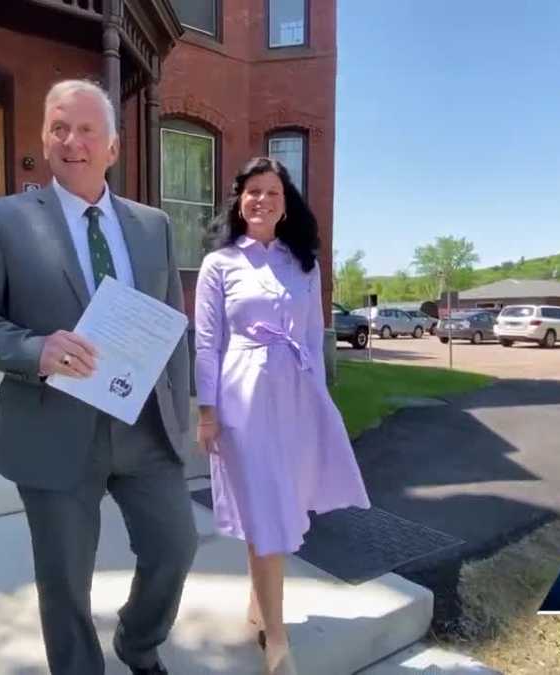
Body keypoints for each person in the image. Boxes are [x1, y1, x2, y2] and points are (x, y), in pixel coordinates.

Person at [0, 79, 196, 675]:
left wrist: (182, 418)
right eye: (59, 127)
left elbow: (173, 327)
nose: (72, 141)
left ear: (113, 146)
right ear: (43, 138)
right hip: (52, 429)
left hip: (142, 429)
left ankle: (138, 642)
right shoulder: (4, 220)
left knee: (175, 547)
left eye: (87, 129)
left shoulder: (152, 225)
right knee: (64, 584)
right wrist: (34, 349)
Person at [193, 157, 371, 675]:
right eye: (253, 192)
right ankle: (277, 639)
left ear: (285, 201)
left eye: (272, 192)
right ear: (238, 199)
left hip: (295, 395)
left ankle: (258, 606)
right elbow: (207, 345)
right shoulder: (219, 264)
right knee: (265, 507)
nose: (262, 201)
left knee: (281, 504)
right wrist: (208, 413)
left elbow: (314, 336)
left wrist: (319, 401)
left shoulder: (304, 264)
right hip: (242, 397)